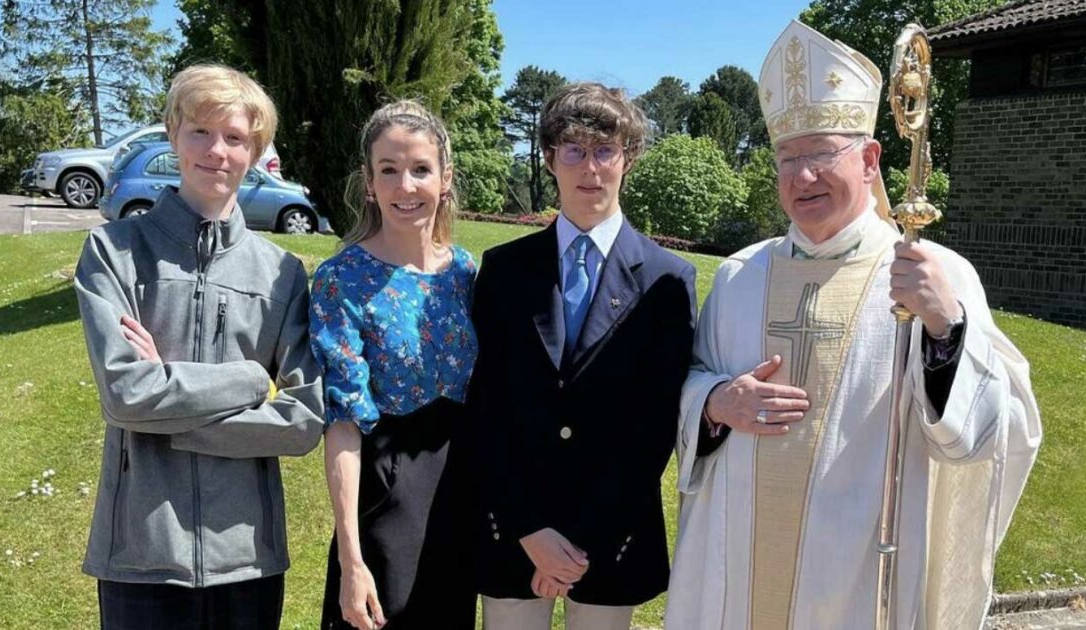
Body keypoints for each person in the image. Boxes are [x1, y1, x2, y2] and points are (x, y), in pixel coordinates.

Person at [665, 20, 1043, 630]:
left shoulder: (932, 273)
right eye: (788, 158)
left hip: (864, 572)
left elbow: (990, 436)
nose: (801, 176)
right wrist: (714, 400)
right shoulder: (739, 277)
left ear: (869, 159)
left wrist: (946, 328)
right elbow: (684, 384)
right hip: (736, 570)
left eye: (820, 154)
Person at [74, 64, 325, 629]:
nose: (217, 152)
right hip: (141, 549)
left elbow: (305, 419)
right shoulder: (114, 252)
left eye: (235, 138)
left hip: (248, 555)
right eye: (200, 132)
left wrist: (162, 413)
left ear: (256, 151)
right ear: (172, 133)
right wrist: (251, 382)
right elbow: (125, 396)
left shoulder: (282, 273)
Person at [469, 82, 697, 630]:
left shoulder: (669, 279)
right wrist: (530, 529)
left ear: (629, 158)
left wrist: (579, 544)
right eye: (573, 150)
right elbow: (486, 406)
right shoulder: (504, 269)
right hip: (514, 528)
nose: (589, 168)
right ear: (550, 159)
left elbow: (655, 426)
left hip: (612, 531)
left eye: (604, 150)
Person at [309, 101, 478, 630]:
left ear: (444, 179)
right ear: (369, 182)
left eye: (420, 169)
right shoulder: (342, 279)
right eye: (389, 170)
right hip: (386, 498)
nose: (406, 186)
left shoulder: (465, 272)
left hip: (460, 493)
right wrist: (350, 560)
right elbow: (342, 421)